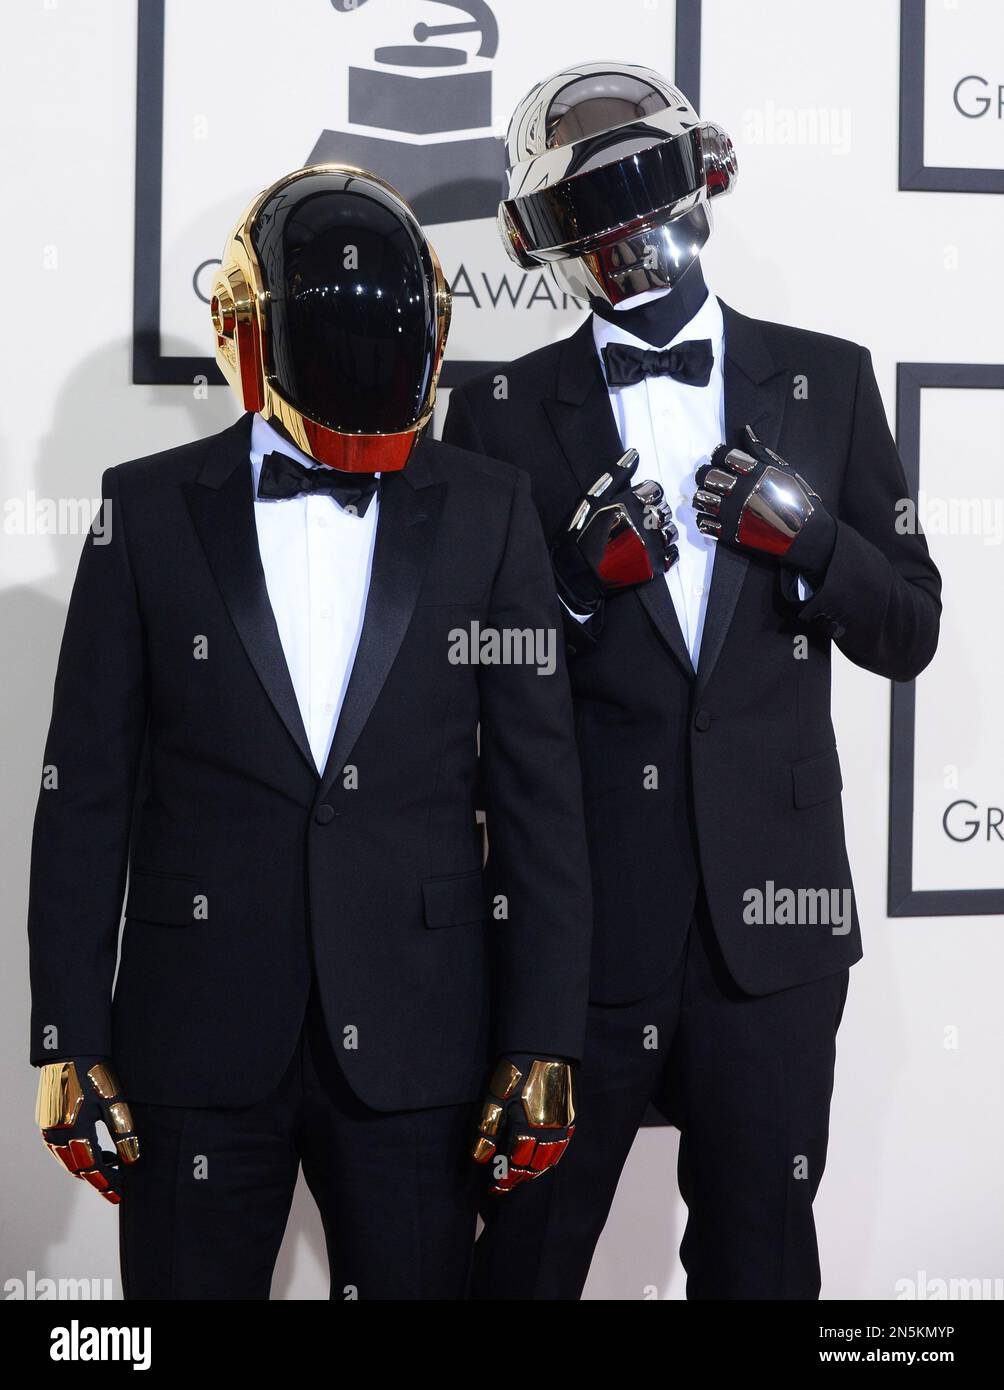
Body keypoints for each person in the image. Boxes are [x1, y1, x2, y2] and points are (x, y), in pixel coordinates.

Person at [28, 164, 591, 1300]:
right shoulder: (142, 510)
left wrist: (545, 1036)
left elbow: (539, 792)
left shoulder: (489, 510)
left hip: (423, 1040)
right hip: (194, 1039)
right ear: (248, 335)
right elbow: (82, 791)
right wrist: (65, 1039)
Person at [444, 63, 942, 1299]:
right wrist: (569, 586)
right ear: (545, 237)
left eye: (636, 187)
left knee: (761, 1267)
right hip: (576, 929)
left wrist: (813, 540)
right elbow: (455, 689)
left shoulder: (828, 379)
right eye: (584, 210)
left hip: (772, 937)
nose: (619, 230)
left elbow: (910, 629)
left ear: (695, 177)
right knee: (526, 1260)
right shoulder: (498, 413)